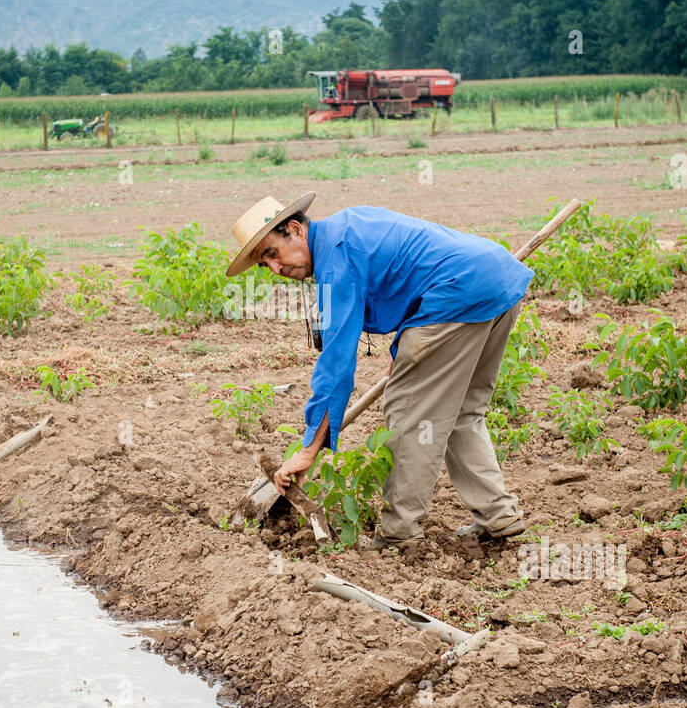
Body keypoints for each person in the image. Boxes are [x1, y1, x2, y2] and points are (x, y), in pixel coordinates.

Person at [226, 192, 533, 549]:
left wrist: (309, 449)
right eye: (266, 265)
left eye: (273, 253)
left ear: (294, 229)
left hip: (456, 295)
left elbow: (336, 362)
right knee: (463, 411)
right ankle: (499, 516)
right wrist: (405, 344)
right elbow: (407, 275)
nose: (277, 269)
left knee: (409, 412)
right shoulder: (349, 224)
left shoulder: (335, 263)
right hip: (494, 278)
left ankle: (399, 532)